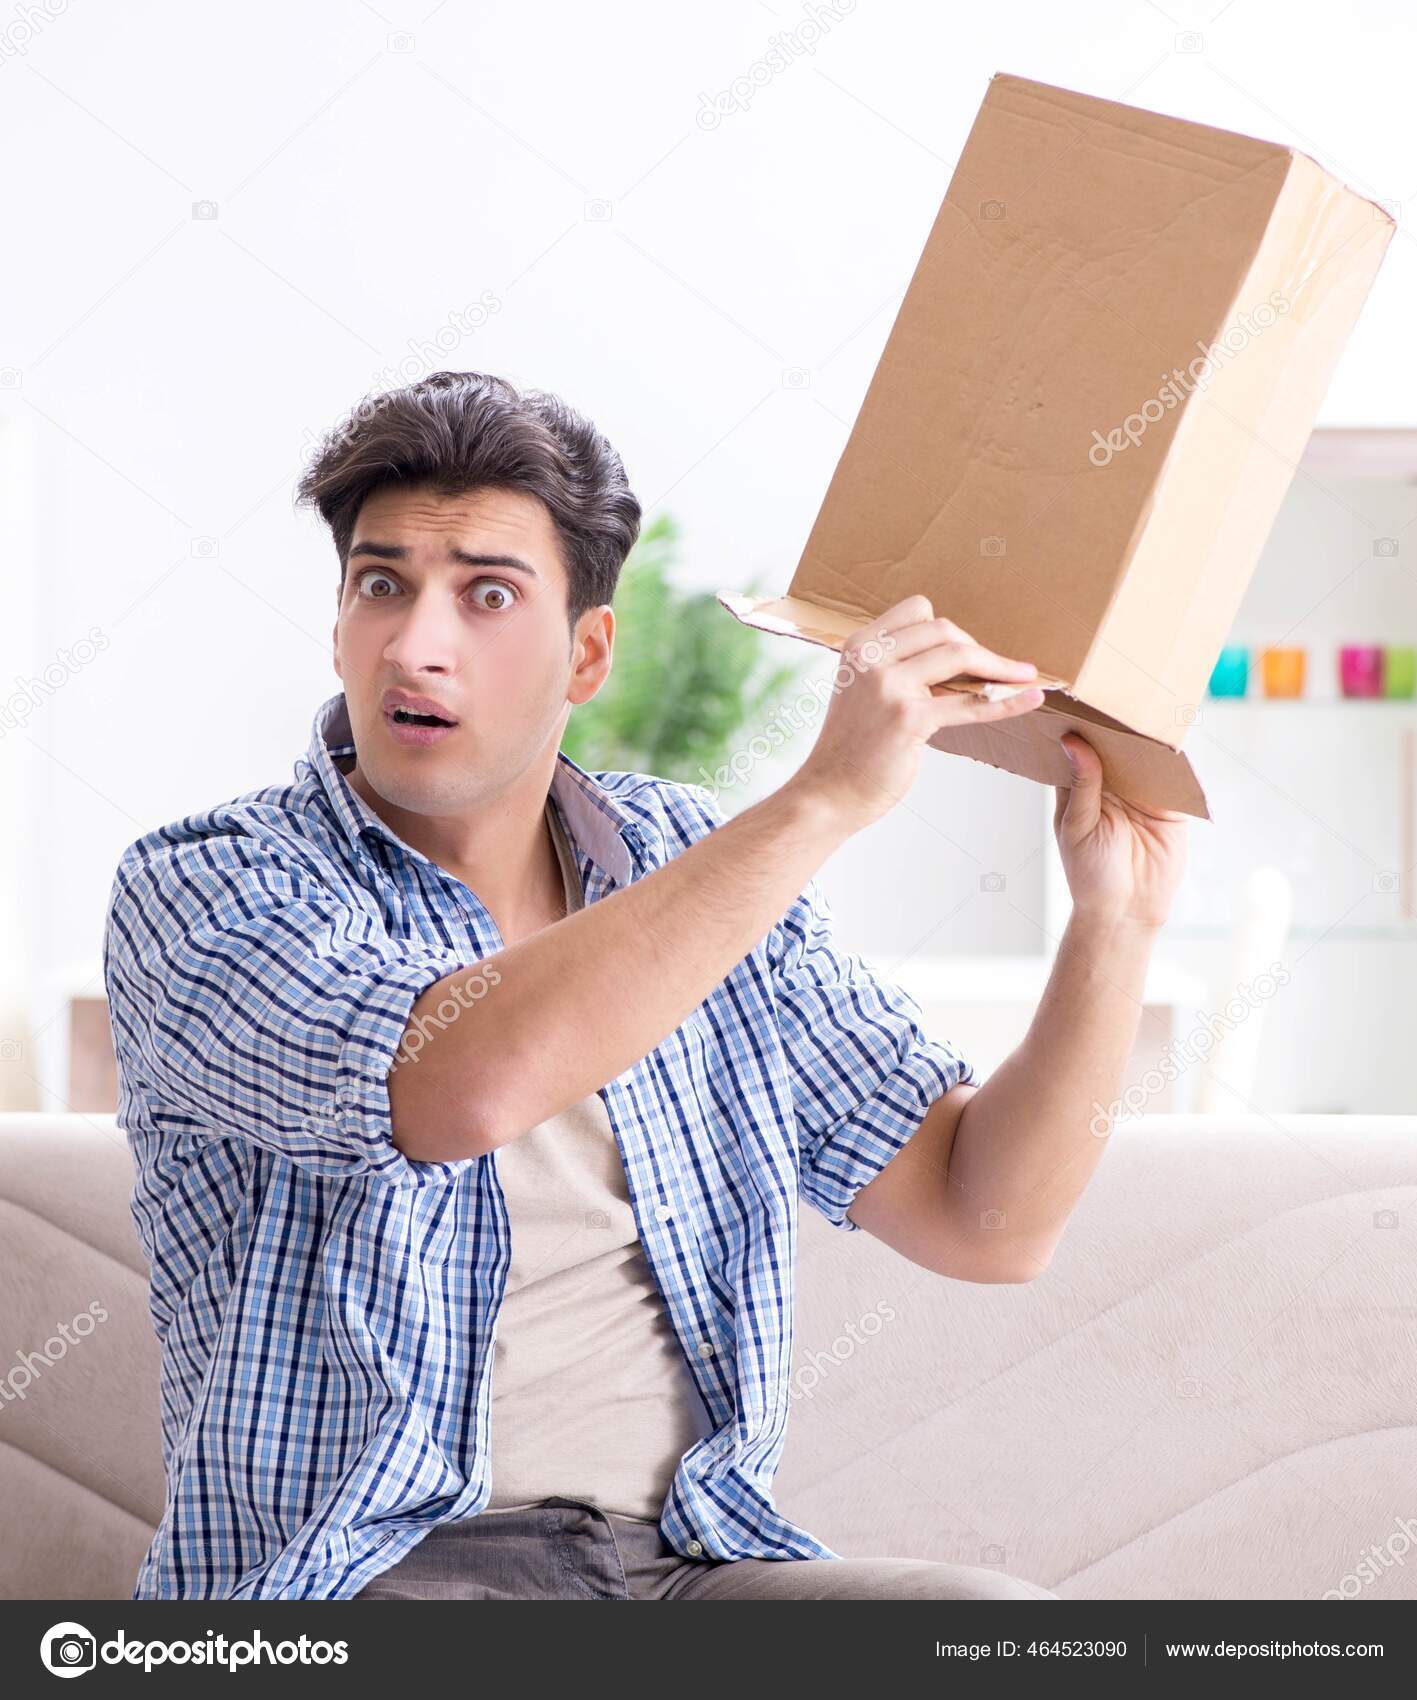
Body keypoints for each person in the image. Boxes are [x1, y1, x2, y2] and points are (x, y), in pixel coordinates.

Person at [102, 371, 1187, 1601]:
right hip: (358, 1582)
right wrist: (820, 796)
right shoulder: (208, 885)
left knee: (991, 1632)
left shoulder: (689, 862)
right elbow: (456, 1083)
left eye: (488, 593)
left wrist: (1115, 918)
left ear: (587, 653)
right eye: (380, 583)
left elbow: (984, 1219)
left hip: (682, 1570)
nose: (416, 642)